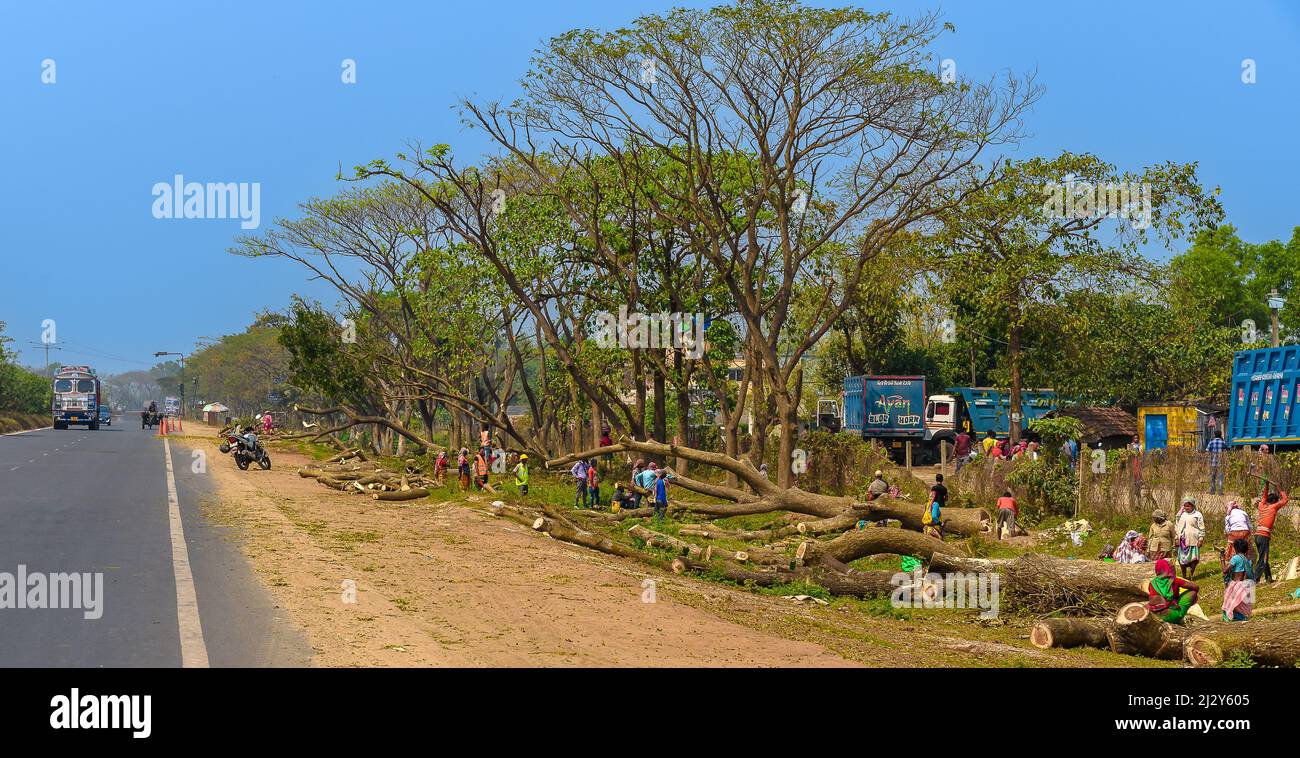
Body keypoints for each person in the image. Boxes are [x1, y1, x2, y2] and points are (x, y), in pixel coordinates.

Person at [1254, 482, 1289, 583]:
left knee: (1264, 556)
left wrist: (1267, 485)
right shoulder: (1273, 507)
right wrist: (1279, 487)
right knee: (1262, 558)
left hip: (1257, 536)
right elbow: (1285, 499)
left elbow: (1264, 496)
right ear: (1274, 501)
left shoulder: (1261, 505)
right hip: (1264, 536)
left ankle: (1268, 578)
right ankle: (1255, 579)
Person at [1146, 558, 1198, 624]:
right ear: (1167, 569)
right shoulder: (1175, 580)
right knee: (1192, 592)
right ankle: (1180, 613)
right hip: (1171, 615)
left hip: (1155, 613)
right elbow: (1195, 587)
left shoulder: (1152, 583)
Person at [1220, 538, 1255, 622]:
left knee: (1228, 605)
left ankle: (1228, 622)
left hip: (1236, 586)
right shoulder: (1247, 559)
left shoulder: (1235, 558)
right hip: (1245, 585)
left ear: (1235, 548)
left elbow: (1225, 570)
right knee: (1240, 606)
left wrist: (1222, 559)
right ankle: (1242, 620)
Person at [1175, 497, 1205, 579]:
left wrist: (1201, 539)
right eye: (1185, 506)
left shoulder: (1198, 515)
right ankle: (1184, 576)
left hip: (1193, 540)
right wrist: (1176, 538)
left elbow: (1201, 528)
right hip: (1182, 541)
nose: (1187, 508)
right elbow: (1177, 526)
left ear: (1193, 506)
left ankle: (1191, 575)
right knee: (1182, 560)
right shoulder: (1181, 515)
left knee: (1193, 559)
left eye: (1188, 506)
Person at [1224, 499, 1256, 564]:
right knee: (1246, 545)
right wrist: (1251, 533)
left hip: (1234, 533)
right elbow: (1249, 525)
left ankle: (1231, 562)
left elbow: (1227, 529)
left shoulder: (1228, 515)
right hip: (1245, 531)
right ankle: (1248, 560)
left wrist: (1228, 535)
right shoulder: (1243, 512)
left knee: (1232, 546)